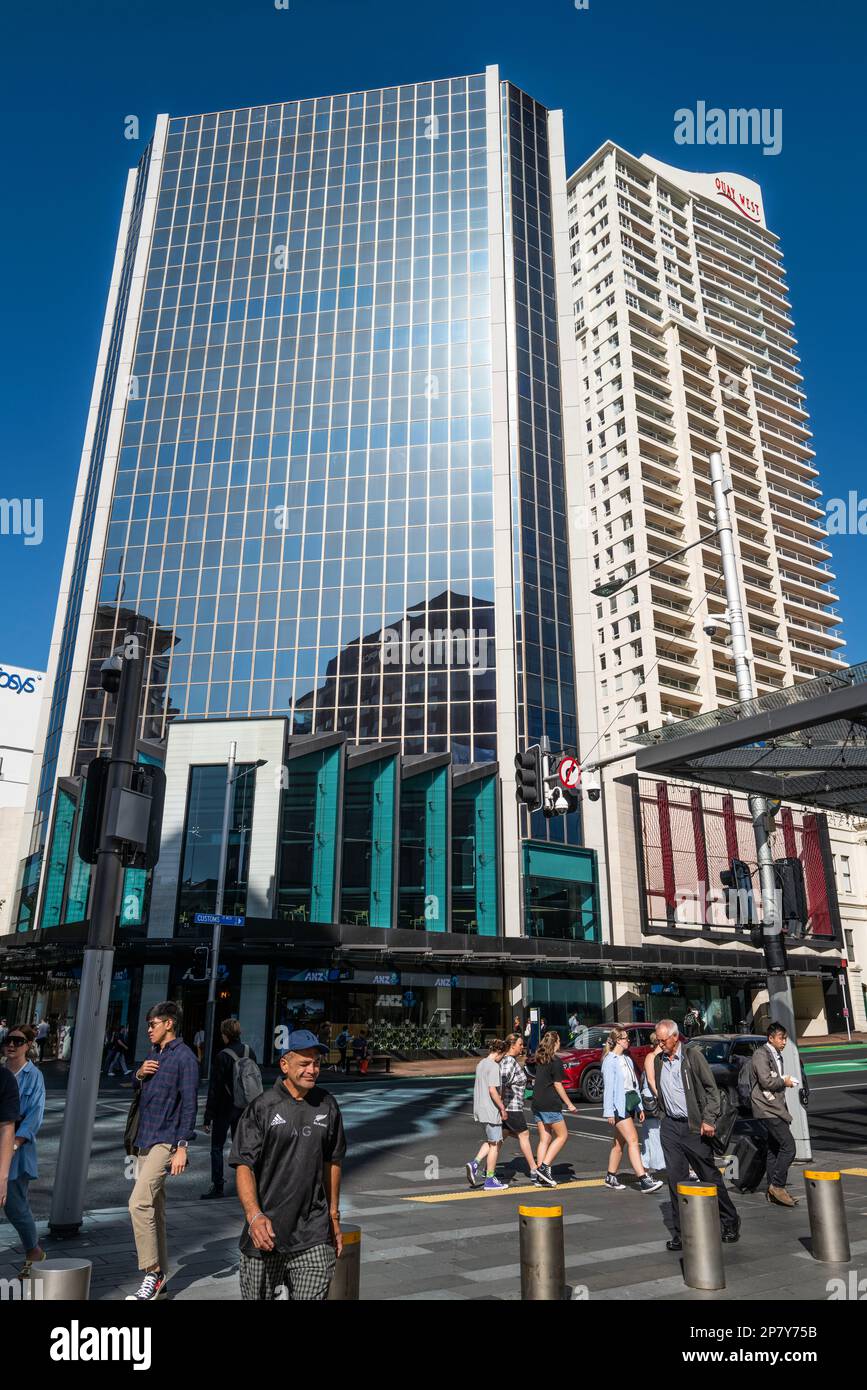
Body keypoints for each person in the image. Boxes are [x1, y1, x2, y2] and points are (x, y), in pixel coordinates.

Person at [230, 1029, 345, 1300]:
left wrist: (334, 1218)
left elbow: (333, 1161)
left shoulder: (327, 1105)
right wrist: (254, 1216)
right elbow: (243, 1164)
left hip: (313, 1233)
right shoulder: (262, 1107)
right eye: (304, 1063)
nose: (312, 1069)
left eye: (316, 1062)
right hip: (265, 1232)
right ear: (285, 1064)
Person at [125, 1002, 199, 1301]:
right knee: (154, 1209)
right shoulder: (154, 1054)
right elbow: (136, 1085)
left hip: (166, 1140)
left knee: (138, 1203)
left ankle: (152, 1273)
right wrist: (139, 1073)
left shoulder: (185, 1058)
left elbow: (190, 1104)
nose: (148, 1029)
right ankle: (162, 1283)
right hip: (145, 1137)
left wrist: (182, 1146)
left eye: (153, 1024)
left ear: (169, 1023)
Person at [653, 1018, 739, 1251]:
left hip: (694, 1127)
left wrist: (708, 1119)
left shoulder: (693, 1057)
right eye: (657, 1040)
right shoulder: (659, 1061)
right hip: (670, 1126)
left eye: (662, 1040)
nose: (659, 1044)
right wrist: (660, 1112)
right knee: (675, 1180)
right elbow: (661, 1091)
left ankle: (730, 1220)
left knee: (708, 1175)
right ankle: (682, 1232)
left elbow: (712, 1090)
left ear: (674, 1037)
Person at [1, 1024, 47, 1275]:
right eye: (8, 1040)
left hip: (17, 1146)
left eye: (18, 1042)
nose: (11, 1045)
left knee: (15, 1206)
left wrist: (16, 1143)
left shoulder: (34, 1076)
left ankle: (34, 1251)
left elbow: (35, 1116)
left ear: (28, 1046)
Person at [201, 1018, 260, 1200]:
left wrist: (208, 1116)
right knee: (242, 1148)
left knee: (217, 1147)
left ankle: (218, 1186)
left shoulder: (222, 1056)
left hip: (224, 1108)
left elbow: (215, 1089)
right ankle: (247, 1185)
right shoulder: (250, 1052)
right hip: (246, 1107)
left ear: (224, 1034)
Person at [601, 1028, 662, 1194]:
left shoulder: (626, 1059)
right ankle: (643, 1179)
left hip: (629, 1103)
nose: (628, 1041)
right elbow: (609, 1089)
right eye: (626, 1038)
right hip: (618, 1107)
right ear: (618, 1041)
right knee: (633, 1139)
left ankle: (610, 1177)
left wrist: (640, 1106)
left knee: (619, 1144)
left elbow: (633, 1085)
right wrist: (609, 1112)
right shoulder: (610, 1061)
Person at [749, 1021, 800, 1207]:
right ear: (771, 1038)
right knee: (789, 1147)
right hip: (767, 1108)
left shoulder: (776, 1054)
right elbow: (766, 1081)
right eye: (781, 1038)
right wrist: (784, 1081)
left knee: (774, 1148)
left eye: (785, 1038)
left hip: (775, 1106)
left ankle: (772, 1190)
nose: (784, 1041)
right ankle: (777, 1185)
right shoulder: (761, 1054)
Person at [498, 1033, 550, 1186]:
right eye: (520, 1044)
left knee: (499, 1137)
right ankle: (534, 1170)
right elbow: (502, 1082)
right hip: (511, 1107)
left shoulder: (510, 1060)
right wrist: (500, 1106)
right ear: (512, 1045)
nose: (522, 1047)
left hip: (509, 1107)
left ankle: (478, 1165)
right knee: (524, 1135)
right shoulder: (508, 1061)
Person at [531, 1031, 577, 1188]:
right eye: (559, 1041)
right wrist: (569, 1104)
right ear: (556, 1042)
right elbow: (558, 1085)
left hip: (537, 1102)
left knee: (545, 1138)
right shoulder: (556, 1061)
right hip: (550, 1103)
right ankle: (544, 1167)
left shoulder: (541, 1059)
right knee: (563, 1135)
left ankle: (539, 1175)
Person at [466, 1039, 508, 1190]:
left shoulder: (481, 1063)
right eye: (502, 1056)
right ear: (499, 1052)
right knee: (496, 1144)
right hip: (491, 1109)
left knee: (491, 1141)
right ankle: (490, 1179)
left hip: (480, 1108)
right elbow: (492, 1090)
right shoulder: (494, 1066)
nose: (502, 1058)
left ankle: (475, 1163)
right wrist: (502, 1107)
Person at [639, 1031, 665, 1175]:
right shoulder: (652, 1057)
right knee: (652, 1134)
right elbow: (651, 1080)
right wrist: (661, 1096)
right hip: (652, 1100)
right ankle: (648, 1167)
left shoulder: (660, 1057)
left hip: (654, 1098)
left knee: (654, 1134)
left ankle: (646, 1168)